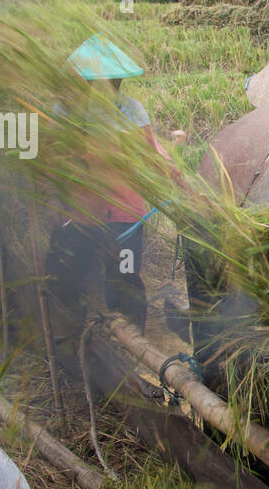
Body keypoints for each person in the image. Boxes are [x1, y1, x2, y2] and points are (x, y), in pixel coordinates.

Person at [46, 35, 174, 336]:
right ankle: (68, 348)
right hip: (76, 213)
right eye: (97, 82)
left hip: (124, 214)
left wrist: (174, 180)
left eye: (112, 81)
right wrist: (53, 198)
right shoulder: (63, 114)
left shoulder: (132, 111)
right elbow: (51, 163)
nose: (107, 87)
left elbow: (150, 158)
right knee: (65, 280)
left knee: (125, 279)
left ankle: (132, 345)